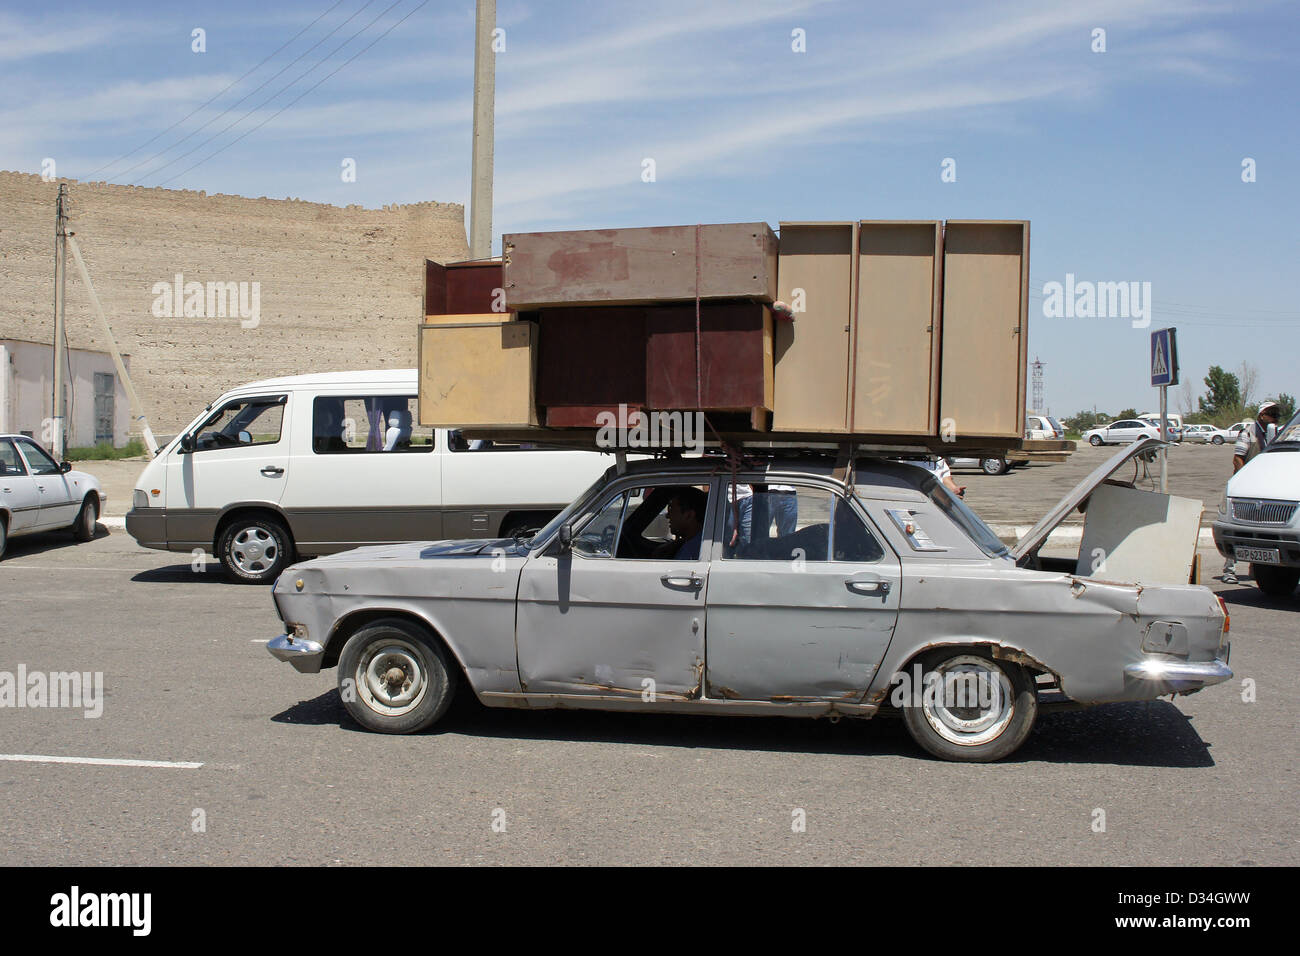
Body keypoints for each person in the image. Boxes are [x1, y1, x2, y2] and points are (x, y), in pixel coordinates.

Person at [1221, 400, 1281, 582]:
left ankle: (1257, 569)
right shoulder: (1247, 433)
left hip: (1267, 488)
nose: (1275, 417)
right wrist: (1246, 480)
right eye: (1271, 413)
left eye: (1276, 414)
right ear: (1261, 415)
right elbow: (1237, 459)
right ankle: (1229, 571)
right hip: (1247, 488)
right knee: (1238, 530)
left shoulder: (1276, 434)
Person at [665, 487, 707, 560]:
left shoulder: (690, 552)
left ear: (689, 515)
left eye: (672, 509)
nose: (667, 515)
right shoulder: (698, 544)